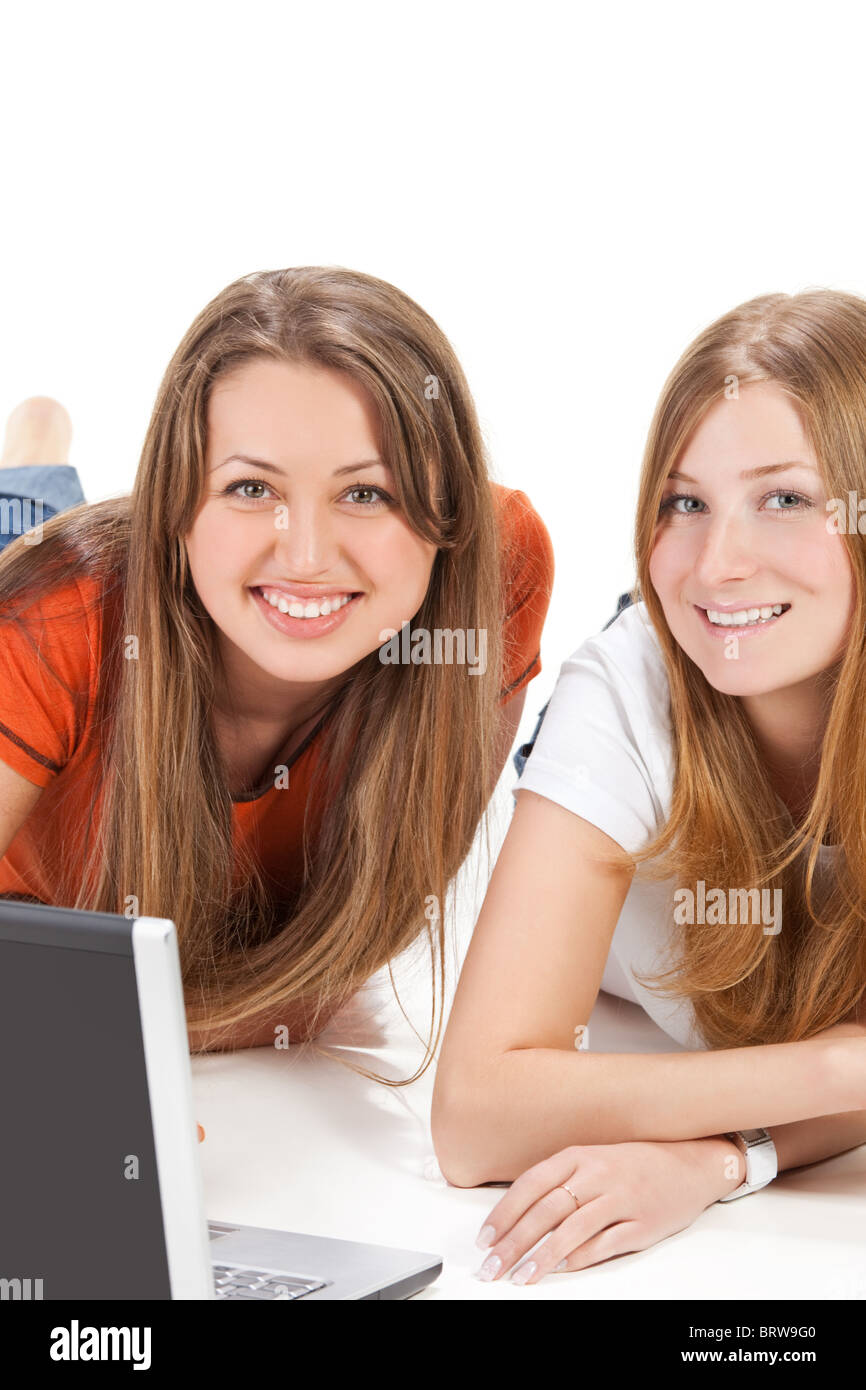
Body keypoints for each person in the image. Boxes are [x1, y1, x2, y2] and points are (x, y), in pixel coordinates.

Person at [0, 266, 554, 1083]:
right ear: (175, 507)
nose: (304, 557)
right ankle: (32, 453)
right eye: (251, 487)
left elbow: (356, 945)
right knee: (26, 526)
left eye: (366, 493)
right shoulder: (53, 623)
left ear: (448, 520)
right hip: (57, 595)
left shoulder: (493, 568)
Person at [432, 289, 866, 1286]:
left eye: (784, 498)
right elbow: (473, 1116)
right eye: (683, 502)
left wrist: (715, 1158)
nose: (715, 566)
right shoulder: (624, 686)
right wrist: (832, 1068)